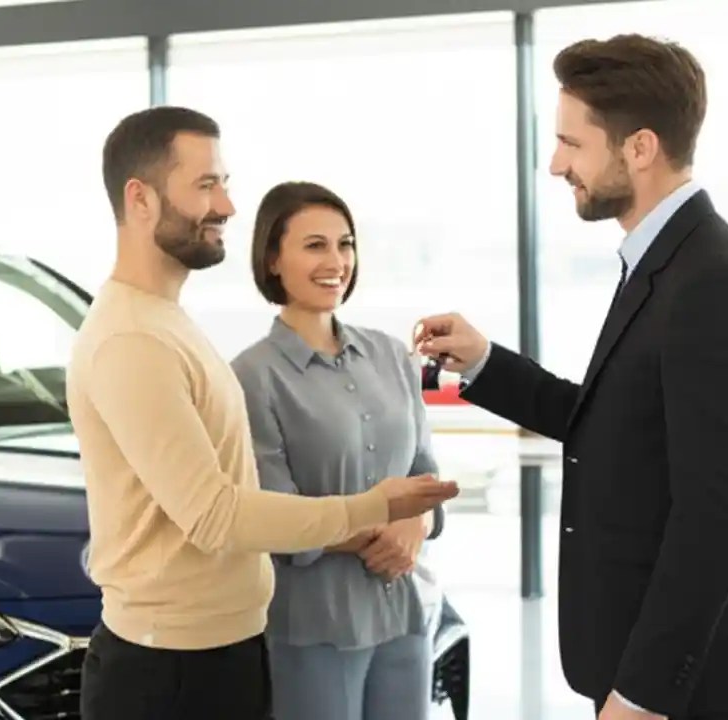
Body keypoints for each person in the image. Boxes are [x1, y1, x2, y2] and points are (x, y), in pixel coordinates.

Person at [414, 34, 728, 720]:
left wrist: (642, 694)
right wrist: (487, 360)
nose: (555, 165)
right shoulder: (666, 261)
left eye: (571, 143)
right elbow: (616, 422)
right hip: (646, 667)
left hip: (678, 688)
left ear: (638, 148)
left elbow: (717, 516)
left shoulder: (710, 281)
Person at [67, 106, 459, 720]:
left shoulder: (168, 323)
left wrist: (409, 517)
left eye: (224, 184)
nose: (226, 205)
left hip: (219, 652)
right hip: (170, 670)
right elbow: (217, 515)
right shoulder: (132, 339)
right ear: (140, 200)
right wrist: (379, 507)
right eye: (206, 185)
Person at [231, 180, 445, 720]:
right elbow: (275, 512)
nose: (336, 260)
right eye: (314, 245)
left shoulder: (393, 356)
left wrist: (413, 524)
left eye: (345, 244)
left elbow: (426, 476)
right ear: (273, 259)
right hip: (313, 626)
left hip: (404, 612)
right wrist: (385, 526)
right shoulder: (251, 377)